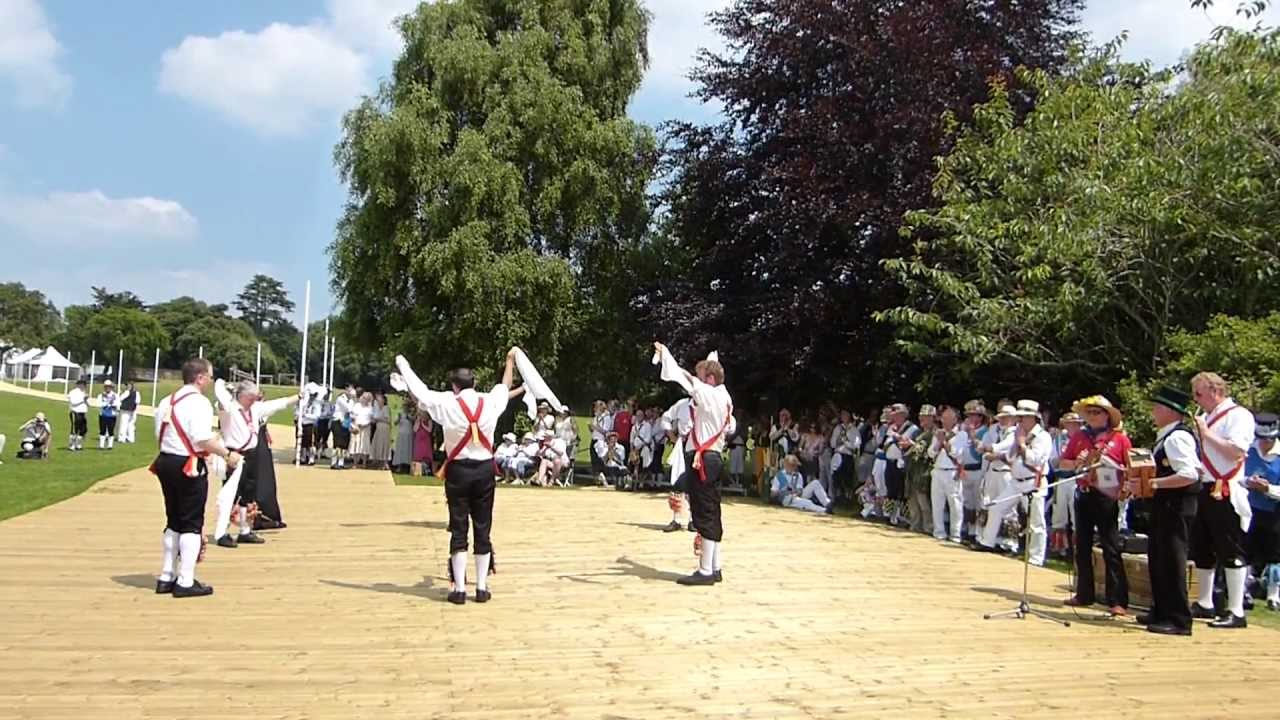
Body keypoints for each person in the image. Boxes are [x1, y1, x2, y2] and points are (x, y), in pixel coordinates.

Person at [395, 349, 522, 605]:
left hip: (459, 471)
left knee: (459, 525)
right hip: (485, 469)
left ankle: (460, 589)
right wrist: (510, 362)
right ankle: (483, 588)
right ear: (475, 383)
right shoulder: (489, 401)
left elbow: (419, 391)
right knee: (483, 526)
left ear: (454, 386)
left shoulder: (447, 403)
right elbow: (504, 385)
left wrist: (403, 364)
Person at [151, 358, 242, 598]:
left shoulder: (165, 402)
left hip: (166, 461)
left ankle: (166, 575)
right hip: (187, 464)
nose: (211, 381)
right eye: (210, 377)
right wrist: (226, 454)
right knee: (191, 523)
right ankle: (185, 579)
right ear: (200, 377)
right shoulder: (199, 403)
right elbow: (202, 439)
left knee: (173, 520)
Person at [653, 342, 735, 586]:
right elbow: (730, 426)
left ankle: (706, 570)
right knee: (712, 510)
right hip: (713, 457)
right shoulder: (724, 397)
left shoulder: (710, 394)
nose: (697, 381)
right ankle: (714, 566)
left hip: (703, 458)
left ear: (709, 378)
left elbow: (685, 378)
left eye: (702, 375)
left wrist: (666, 354)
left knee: (704, 512)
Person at [1189, 372, 1257, 629]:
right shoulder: (1206, 417)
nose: (1197, 399)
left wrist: (1206, 434)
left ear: (1215, 391)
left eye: (1199, 393)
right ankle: (1205, 602)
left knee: (1230, 548)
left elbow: (1236, 451)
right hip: (1205, 486)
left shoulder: (1238, 416)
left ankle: (1236, 609)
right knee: (1203, 547)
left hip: (1226, 488)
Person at [1137, 386, 1203, 636]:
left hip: (1176, 506)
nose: (1153, 411)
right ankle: (1161, 609)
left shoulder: (1177, 438)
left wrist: (1154, 483)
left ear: (1169, 411)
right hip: (1166, 505)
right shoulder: (1167, 436)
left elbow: (1189, 474)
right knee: (1159, 556)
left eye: (1157, 407)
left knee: (1173, 559)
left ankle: (1178, 618)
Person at [1059, 395, 1132, 615]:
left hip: (1106, 495)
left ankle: (1117, 599)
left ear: (1107, 416)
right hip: (1084, 492)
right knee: (1081, 546)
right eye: (1089, 413)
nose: (1092, 416)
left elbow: (1129, 466)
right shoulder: (1080, 436)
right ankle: (1084, 593)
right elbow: (1063, 463)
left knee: (1111, 546)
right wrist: (1079, 463)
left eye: (1097, 412)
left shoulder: (1119, 439)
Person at [212, 379, 299, 548]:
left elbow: (277, 404)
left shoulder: (255, 408)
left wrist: (298, 397)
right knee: (231, 495)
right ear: (242, 396)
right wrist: (221, 382)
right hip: (235, 455)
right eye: (251, 397)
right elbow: (220, 393)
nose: (254, 401)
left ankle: (245, 530)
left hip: (251, 455)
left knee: (248, 495)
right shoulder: (228, 409)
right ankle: (221, 532)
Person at [980, 400, 1052, 565]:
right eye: (1019, 418)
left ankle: (1036, 558)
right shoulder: (1019, 433)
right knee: (996, 507)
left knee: (1036, 522)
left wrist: (1022, 444)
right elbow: (1011, 457)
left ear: (1033, 418)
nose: (1020, 421)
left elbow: (1036, 460)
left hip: (1033, 482)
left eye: (1023, 418)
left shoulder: (1043, 437)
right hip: (1015, 481)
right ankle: (987, 542)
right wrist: (1018, 443)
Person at [1244, 412, 1280, 611]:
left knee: (1275, 553)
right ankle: (1245, 591)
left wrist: (1269, 489)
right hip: (1249, 508)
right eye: (1262, 439)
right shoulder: (1249, 451)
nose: (1264, 443)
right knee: (1246, 551)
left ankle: (1274, 596)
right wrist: (1249, 482)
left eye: (1269, 439)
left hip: (1274, 511)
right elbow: (1237, 476)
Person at [929, 406, 970, 543]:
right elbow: (930, 453)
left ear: (955, 419)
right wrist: (938, 442)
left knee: (955, 503)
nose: (944, 421)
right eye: (943, 418)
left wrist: (944, 442)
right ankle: (938, 531)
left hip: (952, 471)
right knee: (937, 503)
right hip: (938, 470)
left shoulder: (961, 434)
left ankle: (955, 534)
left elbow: (956, 453)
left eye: (947, 418)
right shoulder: (938, 433)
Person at [1049, 412, 1084, 558]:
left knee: (1077, 514)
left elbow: (1083, 462)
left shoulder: (1083, 439)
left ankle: (1078, 550)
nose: (1072, 426)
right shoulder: (1058, 439)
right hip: (1061, 478)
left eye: (1075, 423)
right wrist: (1071, 462)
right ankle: (1059, 548)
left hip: (1077, 479)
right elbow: (1055, 462)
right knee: (1059, 514)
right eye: (1069, 423)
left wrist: (1070, 463)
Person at [905, 406, 937, 534]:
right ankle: (915, 525)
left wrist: (912, 445)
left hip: (924, 470)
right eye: (921, 416)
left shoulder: (935, 433)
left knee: (924, 502)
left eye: (926, 417)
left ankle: (928, 527)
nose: (922, 419)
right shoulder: (918, 433)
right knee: (912, 501)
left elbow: (928, 452)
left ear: (932, 418)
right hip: (913, 468)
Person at [770, 454, 835, 513]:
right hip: (786, 499)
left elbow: (800, 490)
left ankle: (827, 504)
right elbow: (772, 494)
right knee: (807, 502)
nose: (794, 468)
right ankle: (823, 510)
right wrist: (783, 490)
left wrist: (796, 492)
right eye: (792, 465)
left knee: (816, 483)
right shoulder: (779, 476)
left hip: (797, 495)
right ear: (786, 465)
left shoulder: (798, 475)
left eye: (794, 466)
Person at [830, 409, 860, 502]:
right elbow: (832, 443)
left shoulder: (854, 430)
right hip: (837, 455)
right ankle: (836, 499)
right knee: (836, 478)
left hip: (847, 456)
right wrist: (838, 441)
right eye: (842, 415)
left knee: (847, 479)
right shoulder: (838, 428)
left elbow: (856, 445)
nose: (844, 417)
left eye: (846, 415)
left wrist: (845, 442)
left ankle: (847, 500)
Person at [330, 386, 353, 470]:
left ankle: (341, 462)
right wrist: (351, 401)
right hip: (337, 422)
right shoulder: (341, 399)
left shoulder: (351, 401)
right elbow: (349, 408)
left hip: (346, 423)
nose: (351, 393)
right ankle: (333, 462)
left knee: (344, 444)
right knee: (337, 444)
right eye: (349, 391)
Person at [349, 392, 374, 468]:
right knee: (355, 444)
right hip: (357, 427)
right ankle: (355, 463)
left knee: (364, 445)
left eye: (365, 398)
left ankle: (364, 463)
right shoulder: (357, 406)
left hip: (366, 428)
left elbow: (372, 419)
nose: (363, 399)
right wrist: (355, 425)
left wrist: (365, 424)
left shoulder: (370, 408)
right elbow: (352, 416)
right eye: (363, 397)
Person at [370, 392, 393, 470]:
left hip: (384, 429)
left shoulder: (385, 408)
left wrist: (378, 419)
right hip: (379, 429)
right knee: (378, 444)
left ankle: (384, 463)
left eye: (379, 399)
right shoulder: (377, 409)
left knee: (384, 444)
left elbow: (388, 420)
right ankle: (378, 461)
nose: (378, 400)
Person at [393, 402, 416, 473]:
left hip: (409, 434)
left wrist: (408, 417)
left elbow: (414, 421)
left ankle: (408, 467)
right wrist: (399, 419)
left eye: (406, 407)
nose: (405, 408)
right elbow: (395, 423)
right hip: (401, 434)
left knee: (408, 450)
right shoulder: (400, 413)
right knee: (400, 450)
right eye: (404, 407)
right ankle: (399, 466)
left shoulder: (411, 414)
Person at [67, 379, 88, 451]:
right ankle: (72, 445)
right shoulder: (73, 392)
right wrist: (83, 399)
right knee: (74, 429)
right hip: (75, 412)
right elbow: (73, 402)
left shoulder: (83, 392)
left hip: (82, 412)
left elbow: (85, 403)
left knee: (83, 429)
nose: (84, 386)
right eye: (82, 385)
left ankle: (78, 444)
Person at [413, 410, 435, 477]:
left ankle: (426, 469)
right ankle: (419, 470)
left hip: (425, 440)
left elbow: (429, 430)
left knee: (425, 454)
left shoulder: (429, 421)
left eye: (423, 414)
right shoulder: (418, 421)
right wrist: (418, 422)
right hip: (418, 440)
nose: (422, 415)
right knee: (419, 454)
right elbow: (414, 429)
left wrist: (423, 424)